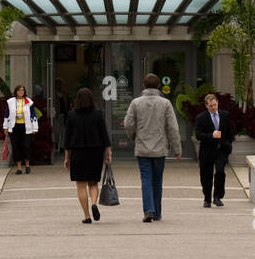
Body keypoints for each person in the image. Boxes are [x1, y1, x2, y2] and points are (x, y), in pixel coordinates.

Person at [122, 73, 181, 223]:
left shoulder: (136, 103)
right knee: (157, 180)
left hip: (142, 146)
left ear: (144, 85)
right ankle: (157, 212)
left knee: (146, 179)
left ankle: (148, 209)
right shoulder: (165, 103)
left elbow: (128, 123)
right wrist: (177, 148)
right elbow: (173, 127)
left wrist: (134, 136)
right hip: (160, 147)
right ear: (158, 86)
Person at [62, 87, 112, 223]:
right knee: (93, 183)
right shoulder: (98, 114)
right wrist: (108, 151)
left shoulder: (71, 115)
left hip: (78, 153)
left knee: (81, 185)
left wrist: (67, 157)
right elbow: (104, 134)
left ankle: (87, 215)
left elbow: (67, 139)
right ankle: (94, 203)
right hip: (95, 152)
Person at [194, 93, 234, 207]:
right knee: (206, 175)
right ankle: (207, 198)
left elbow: (229, 132)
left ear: (217, 103)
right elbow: (198, 135)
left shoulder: (225, 115)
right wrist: (211, 135)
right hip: (207, 151)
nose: (213, 107)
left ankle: (217, 196)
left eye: (215, 105)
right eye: (211, 106)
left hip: (222, 149)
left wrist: (228, 146)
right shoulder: (201, 118)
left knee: (220, 172)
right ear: (206, 106)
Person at [2, 84, 39, 174]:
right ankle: (19, 168)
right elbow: (6, 115)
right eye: (19, 90)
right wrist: (5, 127)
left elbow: (33, 115)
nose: (21, 92)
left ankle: (27, 165)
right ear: (16, 92)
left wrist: (35, 128)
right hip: (14, 127)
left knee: (26, 146)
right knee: (16, 147)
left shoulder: (28, 101)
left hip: (26, 127)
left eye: (22, 90)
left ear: (24, 92)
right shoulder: (10, 101)